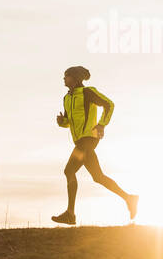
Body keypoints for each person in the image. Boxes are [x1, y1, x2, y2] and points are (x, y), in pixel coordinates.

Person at [52, 66, 139, 225]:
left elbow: (109, 104)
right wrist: (61, 122)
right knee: (98, 177)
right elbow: (68, 122)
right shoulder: (66, 98)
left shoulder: (88, 93)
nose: (64, 79)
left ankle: (70, 214)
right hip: (79, 142)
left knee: (69, 170)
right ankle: (129, 198)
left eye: (67, 76)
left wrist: (101, 125)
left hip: (88, 139)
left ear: (76, 78)